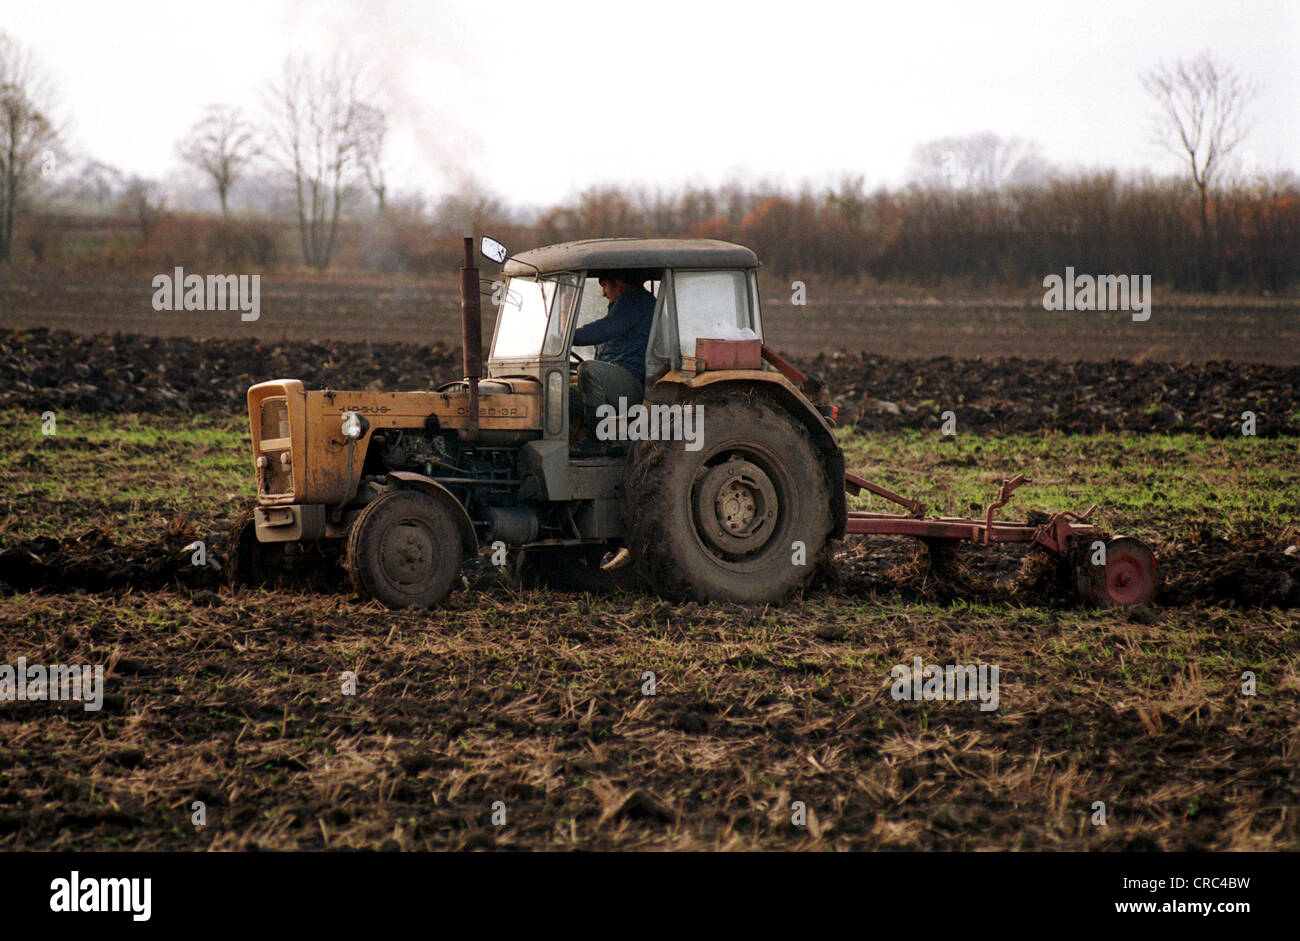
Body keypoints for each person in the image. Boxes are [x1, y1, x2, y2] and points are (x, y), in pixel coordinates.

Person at [569, 270, 655, 454]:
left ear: (620, 281)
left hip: (633, 384)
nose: (603, 293)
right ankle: (569, 442)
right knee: (557, 392)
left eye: (605, 285)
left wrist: (566, 336)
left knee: (589, 371)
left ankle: (597, 440)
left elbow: (604, 330)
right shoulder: (621, 306)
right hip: (617, 381)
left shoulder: (636, 300)